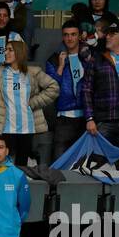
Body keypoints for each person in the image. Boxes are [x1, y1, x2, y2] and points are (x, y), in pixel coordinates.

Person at [0, 38, 58, 168]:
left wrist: (33, 102)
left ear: (19, 53)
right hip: (5, 129)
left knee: (22, 167)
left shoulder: (33, 72)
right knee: (3, 168)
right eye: (5, 49)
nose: (5, 52)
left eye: (10, 50)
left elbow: (54, 87)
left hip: (27, 129)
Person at [45, 19, 95, 162]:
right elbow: (52, 88)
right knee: (60, 164)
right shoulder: (54, 60)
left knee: (83, 163)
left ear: (80, 36)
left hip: (86, 117)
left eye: (73, 34)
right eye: (66, 35)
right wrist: (61, 66)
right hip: (64, 118)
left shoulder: (88, 58)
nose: (70, 38)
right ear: (62, 37)